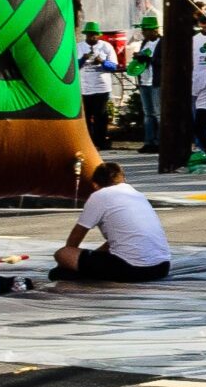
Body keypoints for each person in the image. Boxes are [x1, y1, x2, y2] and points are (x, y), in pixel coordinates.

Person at [50, 161, 170, 283]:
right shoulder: (137, 194)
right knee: (69, 268)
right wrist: (88, 260)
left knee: (63, 254)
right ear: (123, 179)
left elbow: (77, 234)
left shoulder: (100, 196)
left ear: (95, 185)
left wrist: (68, 260)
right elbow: (116, 241)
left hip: (133, 269)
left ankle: (78, 272)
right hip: (161, 267)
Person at [77, 21, 117, 149]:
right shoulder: (79, 47)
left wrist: (102, 61)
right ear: (86, 35)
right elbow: (74, 66)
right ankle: (88, 141)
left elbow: (113, 67)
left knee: (101, 115)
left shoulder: (106, 46)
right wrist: (83, 59)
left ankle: (100, 141)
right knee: (87, 116)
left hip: (101, 87)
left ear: (98, 35)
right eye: (89, 35)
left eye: (94, 35)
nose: (91, 37)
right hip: (85, 87)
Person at [129, 14, 161, 153]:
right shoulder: (145, 43)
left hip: (156, 82)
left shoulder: (162, 43)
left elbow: (164, 62)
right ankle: (149, 142)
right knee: (148, 114)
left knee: (158, 114)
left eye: (145, 30)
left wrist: (148, 59)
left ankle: (160, 142)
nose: (143, 32)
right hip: (144, 81)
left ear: (154, 30)